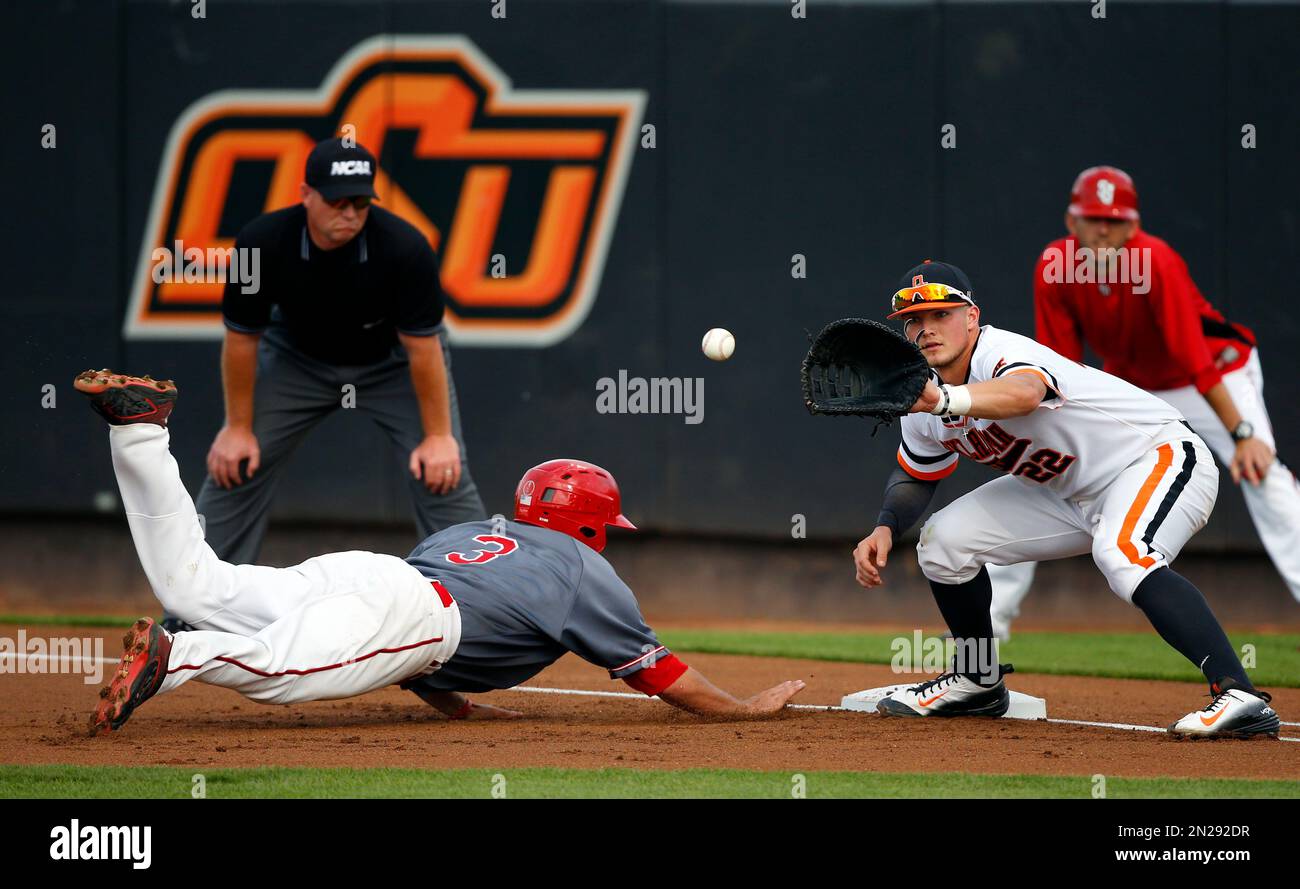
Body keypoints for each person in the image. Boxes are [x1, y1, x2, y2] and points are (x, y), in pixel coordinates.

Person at [75, 370, 805, 736]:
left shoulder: (473, 531)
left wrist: (457, 706)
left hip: (374, 571)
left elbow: (411, 645)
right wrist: (743, 708)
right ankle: (181, 655)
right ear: (592, 525)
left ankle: (139, 435)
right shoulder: (586, 567)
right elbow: (658, 671)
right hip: (416, 612)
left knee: (200, 578)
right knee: (284, 671)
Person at [851, 261, 1281, 738]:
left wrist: (946, 401)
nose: (926, 329)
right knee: (943, 543)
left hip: (1155, 456)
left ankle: (1238, 693)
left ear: (972, 316)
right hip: (1068, 490)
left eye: (941, 314)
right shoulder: (923, 400)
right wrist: (885, 526)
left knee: (1122, 553)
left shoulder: (999, 351)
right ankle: (977, 681)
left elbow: (1024, 393)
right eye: (914, 321)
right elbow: (917, 475)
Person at [987, 166, 1300, 639]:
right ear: (1071, 223)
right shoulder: (1056, 267)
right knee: (1039, 470)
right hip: (1135, 386)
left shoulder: (1156, 261)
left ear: (1134, 225)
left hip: (1214, 374)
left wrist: (1243, 434)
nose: (1104, 230)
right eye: (1093, 219)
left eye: (1115, 220)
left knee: (1262, 470)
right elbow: (1059, 367)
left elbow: (1194, 359)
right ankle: (988, 621)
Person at [188, 138, 484, 609]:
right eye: (336, 200)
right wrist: (237, 427)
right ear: (305, 193)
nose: (349, 212)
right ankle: (192, 612)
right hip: (296, 361)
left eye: (361, 201)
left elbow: (424, 349)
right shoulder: (261, 242)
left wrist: (439, 437)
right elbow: (242, 338)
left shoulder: (405, 247)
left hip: (392, 365)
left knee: (443, 471)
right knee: (234, 467)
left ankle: (479, 609)